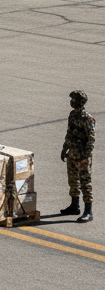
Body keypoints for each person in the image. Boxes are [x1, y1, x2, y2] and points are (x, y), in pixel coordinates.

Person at [60, 89, 95, 223]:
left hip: (82, 156)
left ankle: (88, 211)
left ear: (80, 101)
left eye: (74, 99)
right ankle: (74, 206)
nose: (72, 102)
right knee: (73, 181)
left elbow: (91, 140)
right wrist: (64, 149)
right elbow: (69, 133)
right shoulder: (72, 115)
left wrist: (86, 157)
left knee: (85, 184)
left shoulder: (87, 118)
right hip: (72, 154)